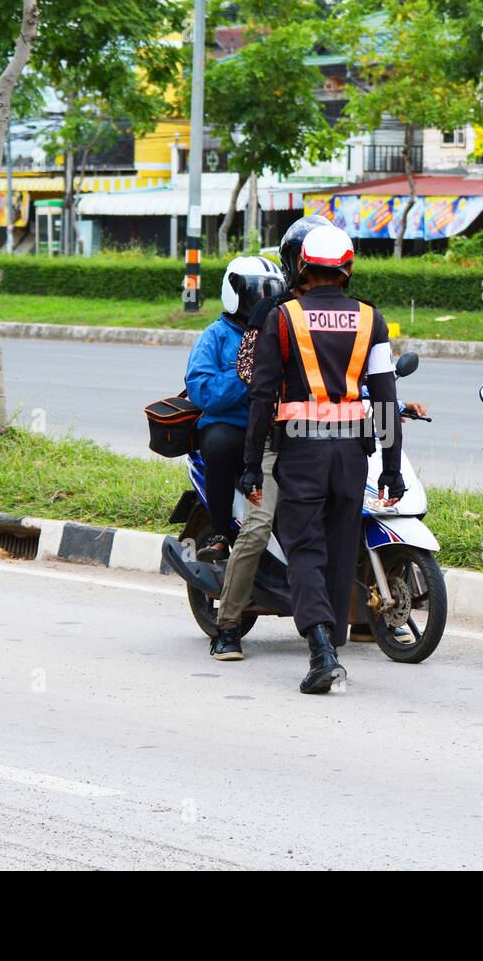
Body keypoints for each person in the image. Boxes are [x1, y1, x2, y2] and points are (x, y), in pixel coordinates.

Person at [240, 225, 404, 694]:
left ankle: (321, 651)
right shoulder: (372, 320)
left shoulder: (283, 316)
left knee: (305, 547)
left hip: (300, 453)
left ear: (302, 268)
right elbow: (387, 400)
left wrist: (252, 466)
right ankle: (333, 640)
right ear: (347, 269)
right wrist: (391, 469)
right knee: (339, 545)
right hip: (352, 455)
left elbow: (262, 396)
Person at [208, 216, 334, 660]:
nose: (322, 273)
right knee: (259, 527)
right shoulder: (270, 313)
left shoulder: (349, 311)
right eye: (312, 264)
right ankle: (227, 624)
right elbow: (251, 378)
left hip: (329, 439)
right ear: (296, 264)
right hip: (276, 442)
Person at [184, 255, 286, 565]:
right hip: (232, 425)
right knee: (219, 444)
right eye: (256, 294)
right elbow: (201, 389)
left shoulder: (285, 332)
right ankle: (220, 532)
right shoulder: (214, 336)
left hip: (277, 426)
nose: (263, 302)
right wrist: (245, 375)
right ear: (235, 294)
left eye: (271, 294)